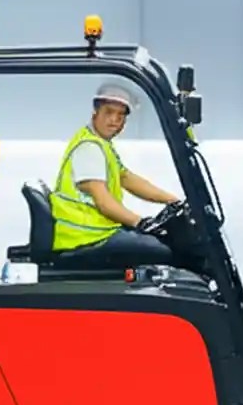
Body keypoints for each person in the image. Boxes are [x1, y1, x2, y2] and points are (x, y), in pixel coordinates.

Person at [49, 82, 187, 269]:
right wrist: (140, 223)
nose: (114, 120)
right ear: (95, 112)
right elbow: (104, 203)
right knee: (165, 252)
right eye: (109, 112)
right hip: (85, 238)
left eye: (120, 116)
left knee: (156, 243)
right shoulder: (89, 148)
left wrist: (173, 201)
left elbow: (127, 179)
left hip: (97, 232)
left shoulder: (100, 143)